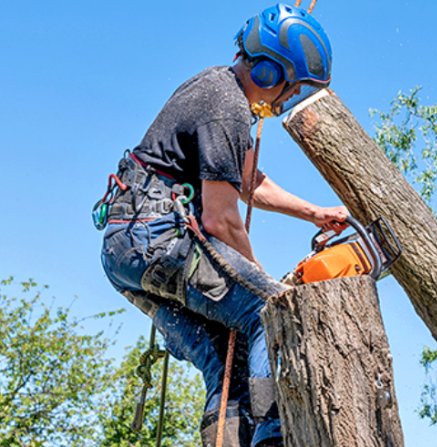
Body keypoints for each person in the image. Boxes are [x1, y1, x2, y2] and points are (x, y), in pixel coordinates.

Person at [96, 3, 348, 446]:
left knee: (224, 354)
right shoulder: (226, 103)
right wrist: (260, 279)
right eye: (289, 87)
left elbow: (249, 180)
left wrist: (315, 212)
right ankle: (273, 439)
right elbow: (220, 219)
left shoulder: (217, 91)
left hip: (126, 248)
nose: (287, 99)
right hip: (157, 236)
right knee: (272, 311)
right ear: (270, 72)